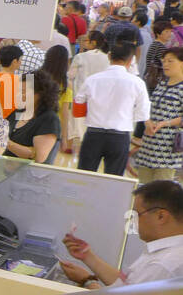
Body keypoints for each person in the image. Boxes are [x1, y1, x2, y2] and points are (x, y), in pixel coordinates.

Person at [60, 180, 183, 295]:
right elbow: (127, 284)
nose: (132, 220)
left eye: (136, 214)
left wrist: (88, 282)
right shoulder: (165, 252)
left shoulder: (163, 265)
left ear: (161, 216)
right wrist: (87, 256)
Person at [76, 41, 151, 177]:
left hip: (93, 134)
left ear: (109, 56)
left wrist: (90, 115)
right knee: (114, 179)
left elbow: (77, 107)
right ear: (131, 60)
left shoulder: (92, 80)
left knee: (85, 177)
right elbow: (143, 115)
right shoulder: (137, 83)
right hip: (120, 136)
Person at [133, 46, 183, 184]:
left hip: (167, 149)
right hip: (149, 143)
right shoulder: (161, 84)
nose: (165, 64)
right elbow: (149, 108)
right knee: (143, 187)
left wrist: (165, 123)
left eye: (170, 61)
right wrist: (147, 121)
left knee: (160, 190)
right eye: (164, 61)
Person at [5, 69, 62, 165]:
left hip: (30, 176)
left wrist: (6, 143)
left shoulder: (49, 119)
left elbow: (39, 157)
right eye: (19, 91)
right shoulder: (18, 112)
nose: (20, 95)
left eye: (24, 92)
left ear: (40, 93)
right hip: (7, 172)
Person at [144, 19, 174, 93]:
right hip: (157, 82)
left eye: (170, 31)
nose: (169, 34)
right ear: (158, 33)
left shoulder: (155, 45)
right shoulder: (160, 47)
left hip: (151, 80)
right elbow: (168, 65)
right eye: (166, 31)